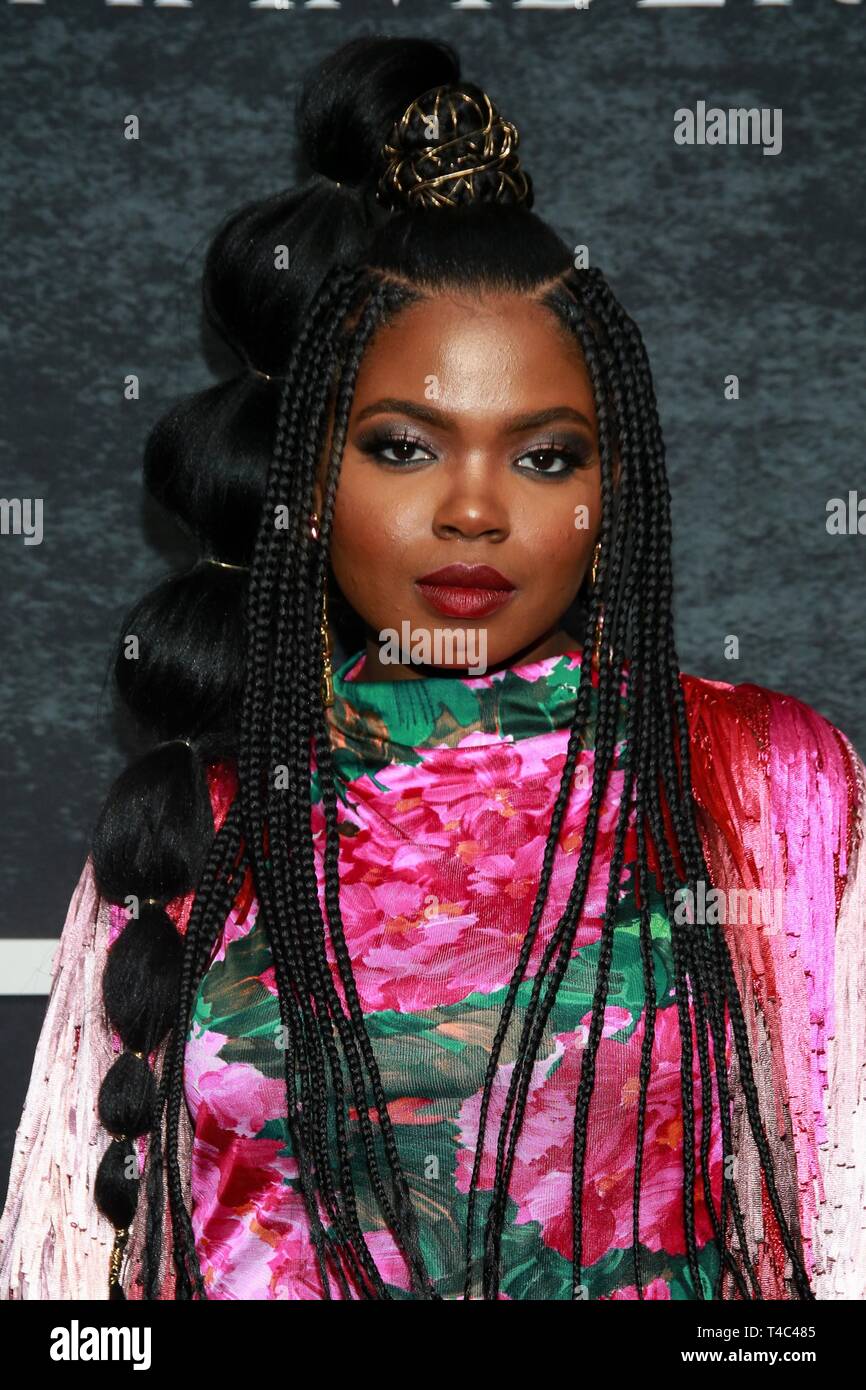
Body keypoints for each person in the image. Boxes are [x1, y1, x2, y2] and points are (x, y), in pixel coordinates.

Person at [1, 33, 864, 1302]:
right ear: (308, 474)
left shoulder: (758, 777)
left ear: (610, 491)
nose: (472, 510)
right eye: (405, 449)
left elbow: (839, 1230)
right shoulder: (198, 823)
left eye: (544, 455)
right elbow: (63, 1284)